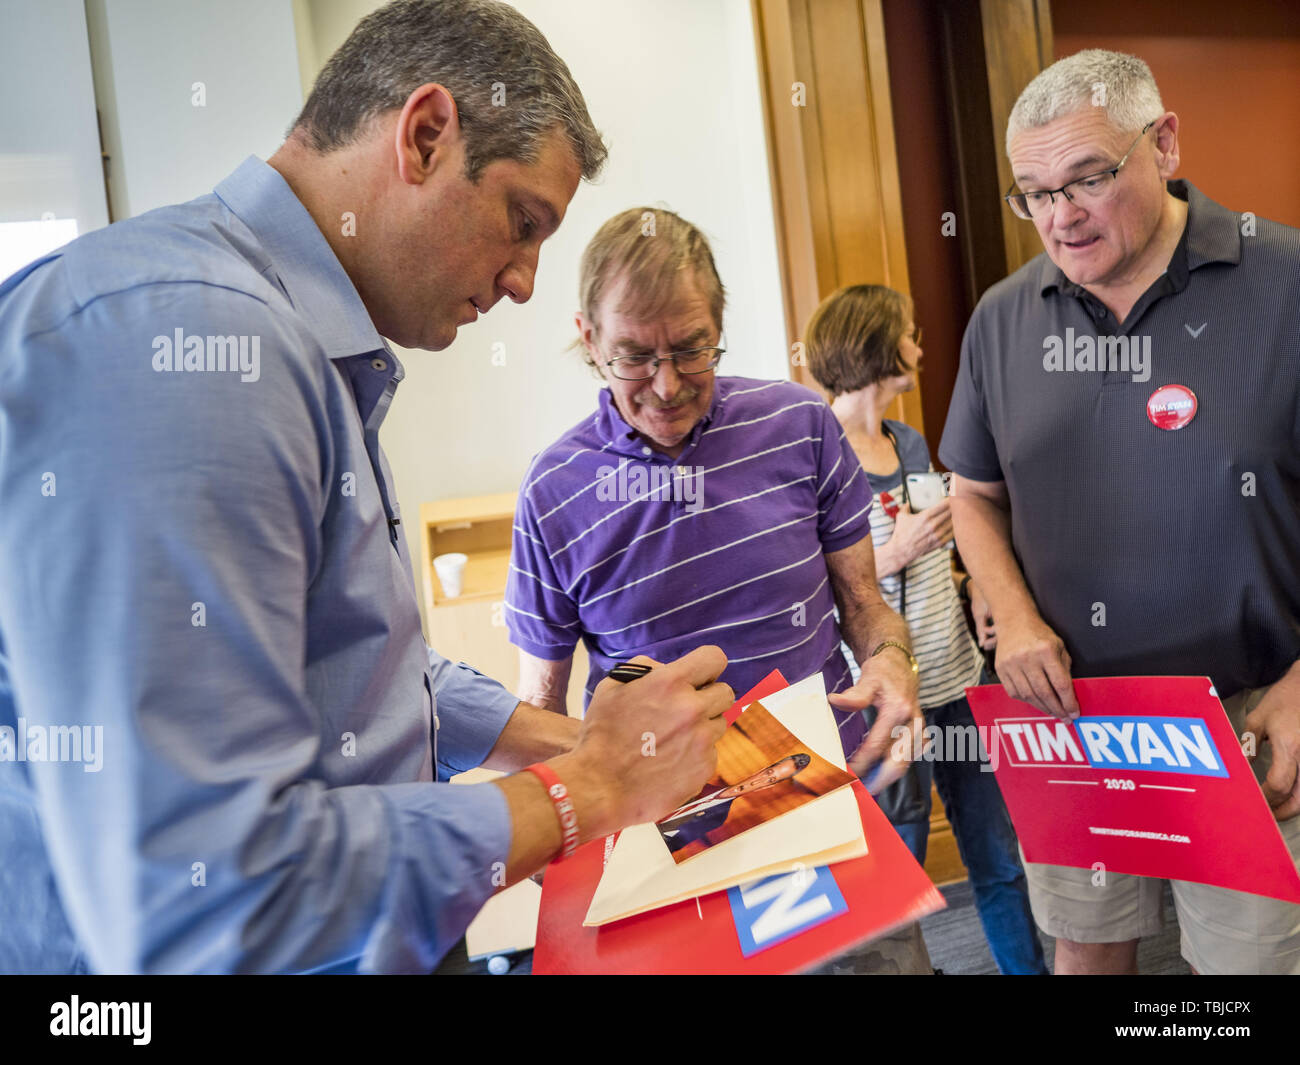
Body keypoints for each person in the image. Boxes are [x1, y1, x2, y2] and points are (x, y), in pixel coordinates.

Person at [0, 0, 735, 975]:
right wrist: (584, 789)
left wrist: (575, 742)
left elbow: (343, 663)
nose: (523, 282)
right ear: (425, 135)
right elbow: (215, 894)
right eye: (522, 223)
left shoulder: (275, 338)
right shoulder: (199, 355)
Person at [939, 48, 1300, 975]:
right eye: (1034, 193)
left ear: (1165, 143)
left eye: (1089, 178)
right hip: (1072, 722)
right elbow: (973, 495)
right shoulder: (1002, 320)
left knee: (1243, 977)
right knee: (1086, 952)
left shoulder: (1288, 281)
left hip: (1252, 712)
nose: (1060, 217)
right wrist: (1011, 613)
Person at [505, 205, 931, 973]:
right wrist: (550, 820)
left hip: (823, 799)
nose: (666, 386)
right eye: (634, 356)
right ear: (588, 339)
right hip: (662, 829)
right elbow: (539, 706)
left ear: (720, 326)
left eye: (692, 349)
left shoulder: (801, 425)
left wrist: (894, 662)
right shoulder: (553, 491)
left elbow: (866, 607)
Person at [804, 284, 1048, 974]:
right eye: (907, 333)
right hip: (885, 700)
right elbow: (811, 585)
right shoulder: (817, 449)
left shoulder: (909, 440)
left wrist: (975, 590)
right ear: (874, 344)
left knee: (998, 860)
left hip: (958, 681)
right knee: (898, 875)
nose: (919, 345)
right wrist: (900, 550)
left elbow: (944, 545)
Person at [658, 754, 811, 853]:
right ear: (761, 770)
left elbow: (671, 848)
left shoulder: (717, 818)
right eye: (768, 773)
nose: (760, 781)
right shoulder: (699, 781)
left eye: (771, 780)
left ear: (767, 787)